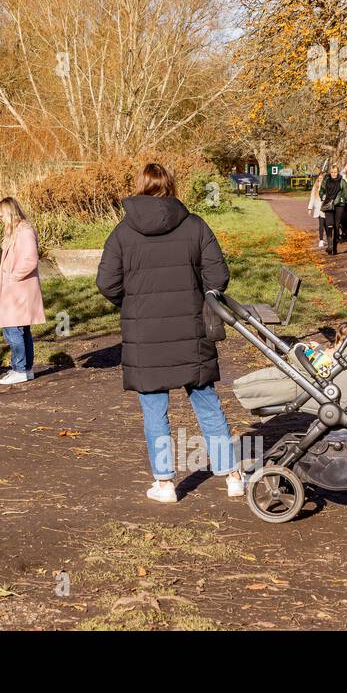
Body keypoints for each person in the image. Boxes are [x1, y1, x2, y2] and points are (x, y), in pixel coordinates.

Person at [95, 163, 244, 503]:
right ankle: (233, 475)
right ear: (171, 186)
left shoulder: (123, 232)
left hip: (145, 334)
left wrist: (130, 303)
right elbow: (217, 276)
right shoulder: (194, 226)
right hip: (191, 329)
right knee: (206, 401)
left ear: (140, 187)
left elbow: (106, 283)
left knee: (154, 409)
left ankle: (165, 484)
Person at [0, 197, 45, 385]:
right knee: (21, 330)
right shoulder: (14, 232)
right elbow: (4, 268)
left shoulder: (24, 231)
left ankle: (19, 369)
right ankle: (26, 369)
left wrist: (13, 278)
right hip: (16, 291)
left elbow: (30, 260)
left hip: (19, 292)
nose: (0, 219)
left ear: (10, 212)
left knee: (13, 331)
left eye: (1, 215)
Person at [319, 163, 347, 254]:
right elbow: (321, 191)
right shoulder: (326, 180)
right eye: (332, 172)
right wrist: (323, 196)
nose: (333, 174)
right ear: (330, 172)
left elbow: (346, 193)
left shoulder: (342, 181)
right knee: (329, 224)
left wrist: (342, 198)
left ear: (338, 172)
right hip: (328, 204)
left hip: (339, 205)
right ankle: (329, 245)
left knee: (336, 226)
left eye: (335, 172)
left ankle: (335, 246)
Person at [308, 171, 327, 248]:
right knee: (321, 224)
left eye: (321, 178)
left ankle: (328, 238)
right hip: (318, 208)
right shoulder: (315, 187)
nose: (320, 179)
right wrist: (310, 208)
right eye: (319, 178)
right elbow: (312, 198)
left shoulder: (326, 186)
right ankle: (321, 240)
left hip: (326, 207)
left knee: (326, 224)